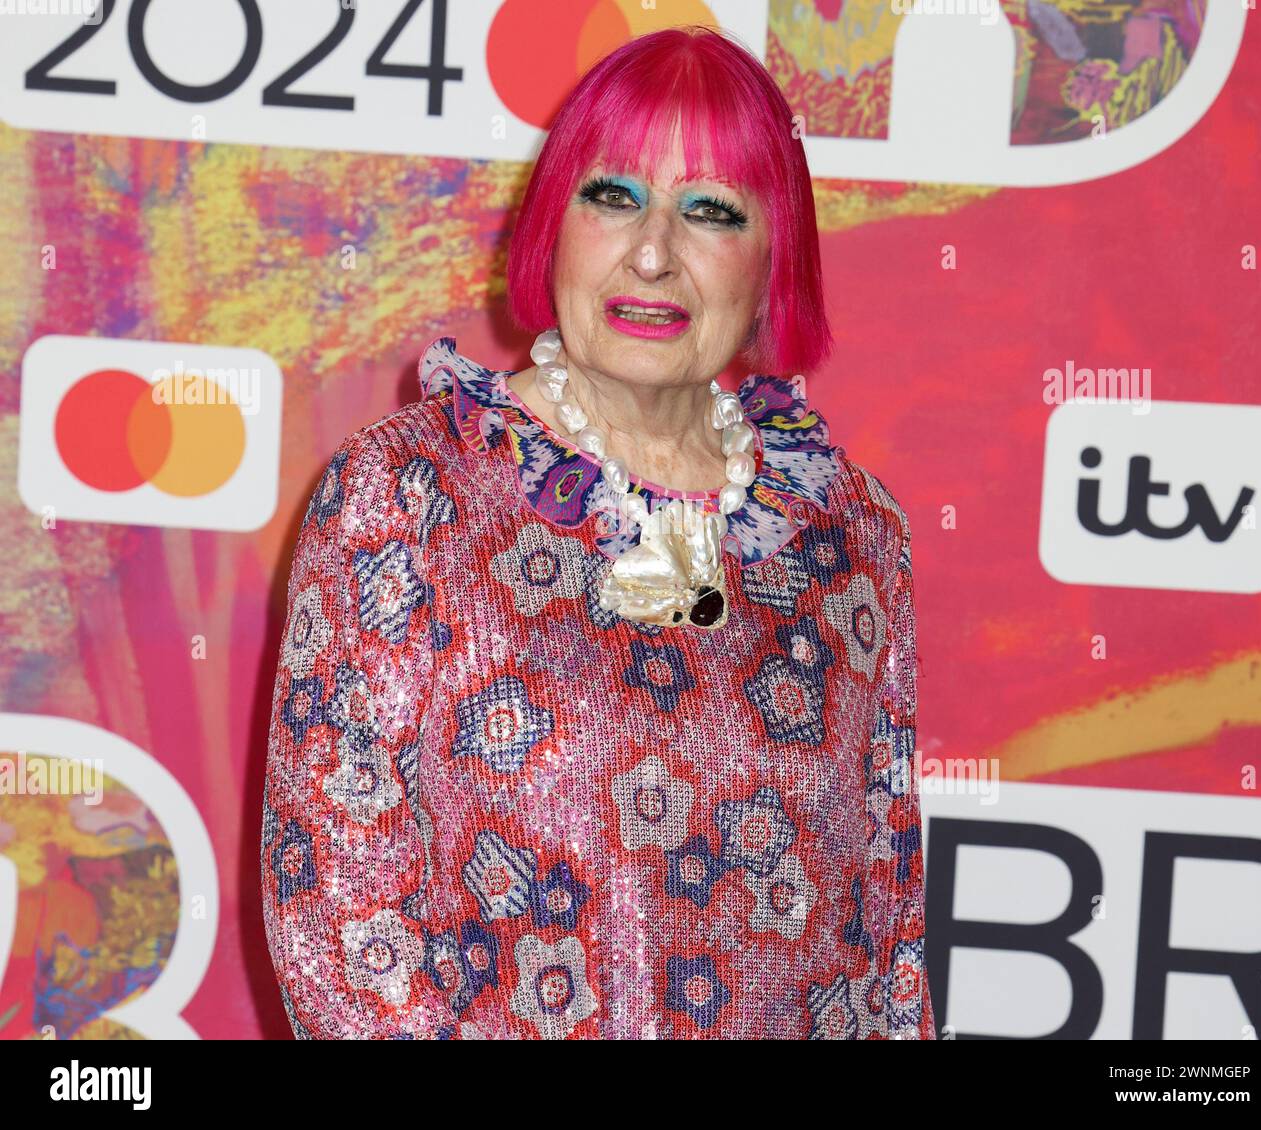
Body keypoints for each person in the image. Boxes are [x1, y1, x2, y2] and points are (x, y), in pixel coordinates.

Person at [261, 24, 934, 1040]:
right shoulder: (405, 494)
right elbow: (340, 912)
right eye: (612, 196)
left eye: (710, 210)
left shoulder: (849, 530)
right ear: (553, 225)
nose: (653, 252)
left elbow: (886, 916)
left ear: (771, 262)